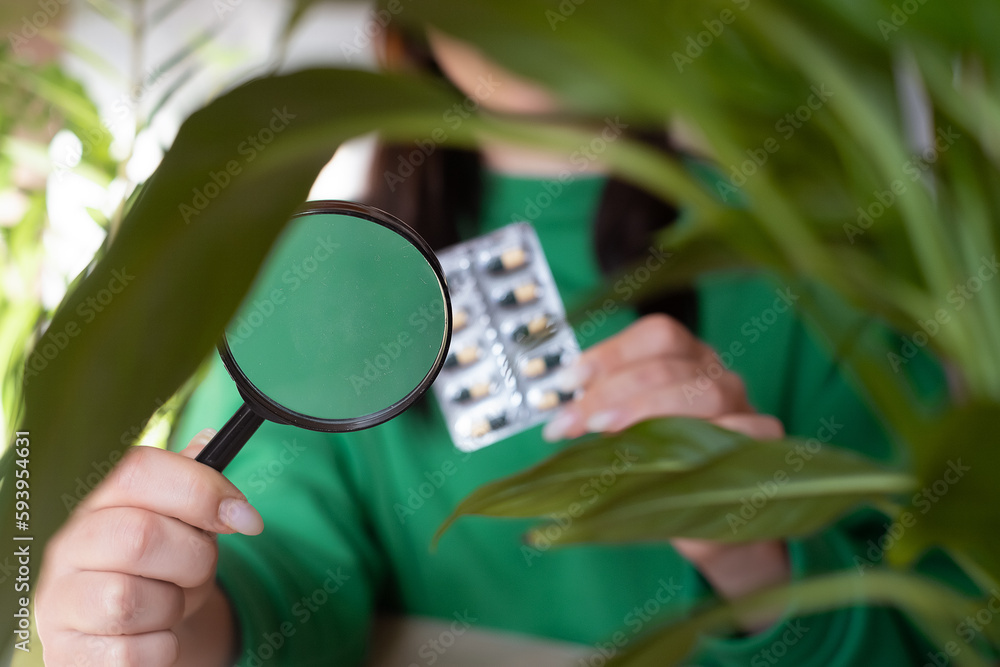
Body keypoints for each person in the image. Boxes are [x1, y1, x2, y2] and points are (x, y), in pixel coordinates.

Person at [36, 25, 974, 667]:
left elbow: (954, 623)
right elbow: (275, 574)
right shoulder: (325, 279)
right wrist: (158, 609)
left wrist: (760, 560)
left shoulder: (821, 255)